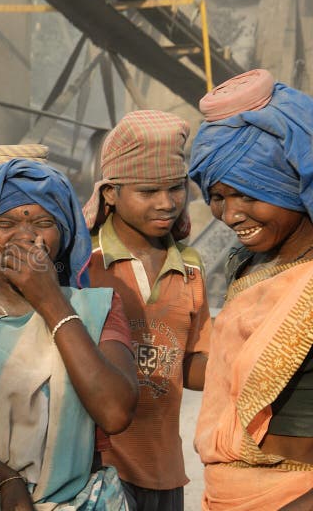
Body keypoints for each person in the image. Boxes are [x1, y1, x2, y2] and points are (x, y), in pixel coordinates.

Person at [0, 147, 138, 510]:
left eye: (43, 224)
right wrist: (5, 479)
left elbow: (115, 412)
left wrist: (50, 300)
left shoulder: (97, 308)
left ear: (63, 235)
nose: (26, 237)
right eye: (6, 225)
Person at [189, 69, 313, 510]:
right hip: (228, 494)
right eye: (218, 197)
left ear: (291, 182)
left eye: (248, 194)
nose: (230, 214)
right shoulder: (250, 263)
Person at [82, 110, 212, 511]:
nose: (167, 203)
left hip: (166, 473)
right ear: (109, 193)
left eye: (176, 188)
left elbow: (191, 367)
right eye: (149, 191)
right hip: (97, 472)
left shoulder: (189, 267)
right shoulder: (86, 264)